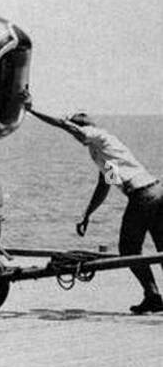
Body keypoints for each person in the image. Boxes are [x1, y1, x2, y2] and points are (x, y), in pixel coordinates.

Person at [27, 106, 163, 314]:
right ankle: (153, 296)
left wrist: (32, 110)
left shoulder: (97, 135)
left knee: (129, 250)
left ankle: (152, 296)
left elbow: (66, 126)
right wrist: (87, 215)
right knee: (160, 249)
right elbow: (104, 185)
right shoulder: (102, 149)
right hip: (155, 191)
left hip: (143, 196)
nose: (76, 138)